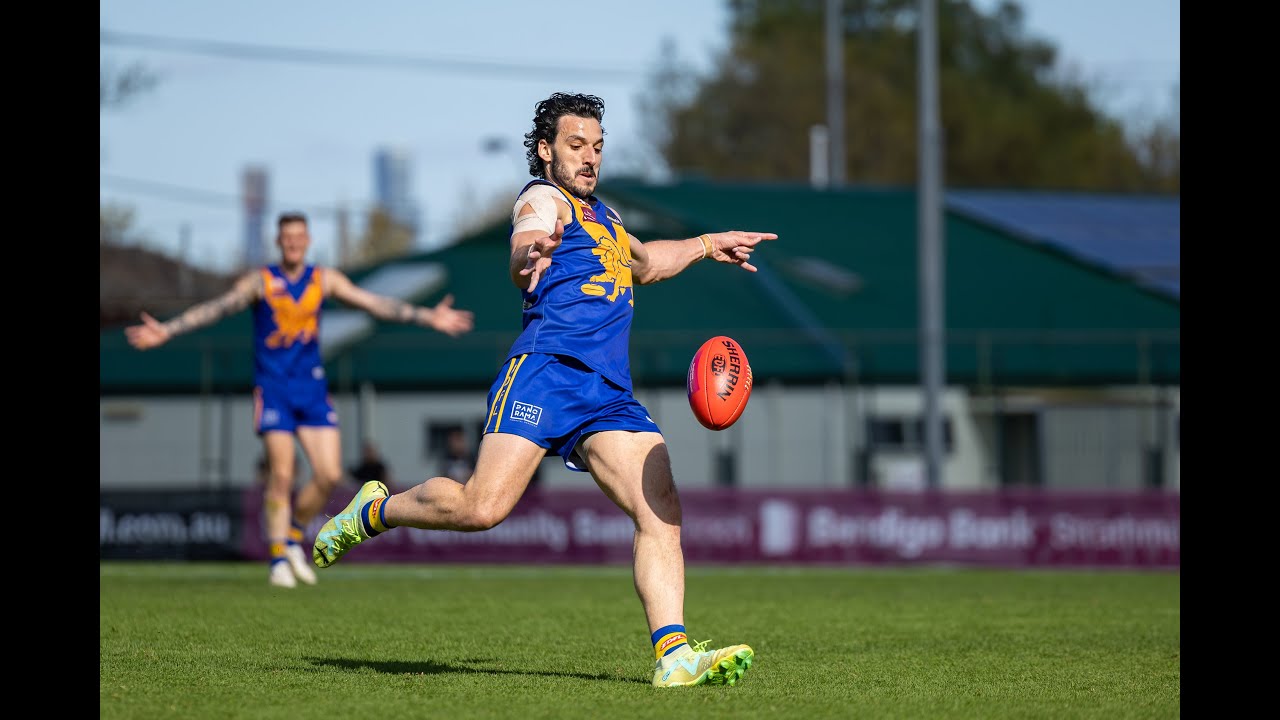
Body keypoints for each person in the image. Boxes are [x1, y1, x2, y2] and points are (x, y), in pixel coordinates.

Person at [311, 91, 776, 688]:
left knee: (661, 510)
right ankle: (374, 510)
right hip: (547, 371)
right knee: (482, 508)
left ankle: (674, 657)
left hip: (607, 391)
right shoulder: (542, 199)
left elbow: (648, 264)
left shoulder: (606, 218)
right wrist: (531, 254)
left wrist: (709, 244)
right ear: (546, 149)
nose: (590, 157)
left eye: (598, 146)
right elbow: (524, 243)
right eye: (576, 144)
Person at [125, 211, 475, 589]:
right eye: (287, 237)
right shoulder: (261, 281)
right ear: (279, 242)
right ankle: (278, 557)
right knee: (282, 473)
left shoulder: (323, 279)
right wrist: (168, 329)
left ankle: (292, 537)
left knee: (328, 474)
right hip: (273, 388)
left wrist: (427, 316)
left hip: (312, 389)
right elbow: (217, 308)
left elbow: (374, 303)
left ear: (307, 241)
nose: (293, 243)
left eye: (299, 236)